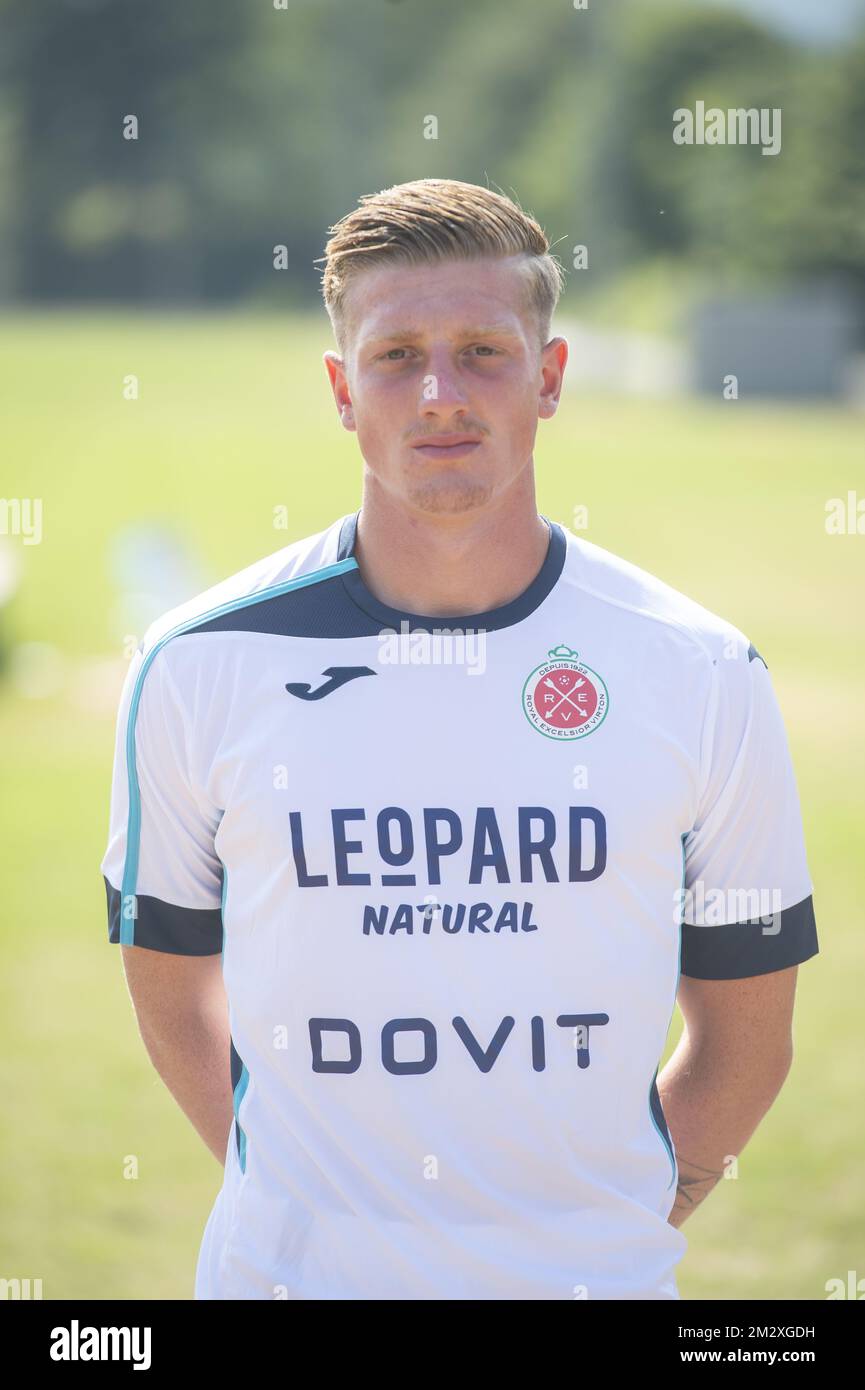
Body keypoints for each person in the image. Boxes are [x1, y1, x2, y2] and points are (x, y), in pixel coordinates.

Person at [100, 177, 819, 1300]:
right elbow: (171, 990)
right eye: (397, 357)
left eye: (483, 350)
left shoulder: (700, 671)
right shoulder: (199, 662)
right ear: (343, 390)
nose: (441, 393)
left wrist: (606, 1230)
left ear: (551, 376)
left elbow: (746, 1041)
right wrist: (304, 1203)